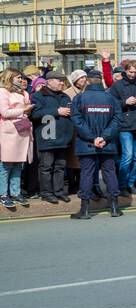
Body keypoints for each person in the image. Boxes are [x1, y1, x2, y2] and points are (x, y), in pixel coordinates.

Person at [70, 70, 123, 218]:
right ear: (101, 81)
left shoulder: (79, 98)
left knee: (86, 174)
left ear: (87, 81)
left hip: (87, 144)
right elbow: (117, 120)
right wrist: (104, 137)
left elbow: (77, 121)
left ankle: (85, 210)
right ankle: (114, 207)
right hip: (108, 143)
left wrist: (93, 138)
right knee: (110, 173)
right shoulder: (111, 98)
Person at [107, 59, 136, 195]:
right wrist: (125, 102)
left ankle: (131, 184)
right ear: (125, 71)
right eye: (130, 71)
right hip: (124, 125)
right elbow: (112, 105)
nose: (132, 74)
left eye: (134, 72)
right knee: (127, 156)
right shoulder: (118, 85)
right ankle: (122, 185)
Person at [31, 72, 74, 203]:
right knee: (46, 167)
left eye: (62, 81)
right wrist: (57, 111)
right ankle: (46, 193)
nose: (62, 83)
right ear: (49, 81)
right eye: (59, 80)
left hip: (62, 138)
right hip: (47, 137)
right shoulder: (39, 96)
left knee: (60, 166)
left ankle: (59, 191)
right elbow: (35, 114)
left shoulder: (64, 96)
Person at [0, 68, 35, 209]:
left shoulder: (24, 92)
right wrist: (23, 110)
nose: (21, 80)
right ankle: (3, 194)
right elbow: (4, 111)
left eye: (21, 77)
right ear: (9, 78)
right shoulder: (3, 92)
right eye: (18, 77)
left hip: (22, 130)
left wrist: (27, 109)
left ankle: (15, 192)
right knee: (6, 165)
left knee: (18, 165)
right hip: (8, 131)